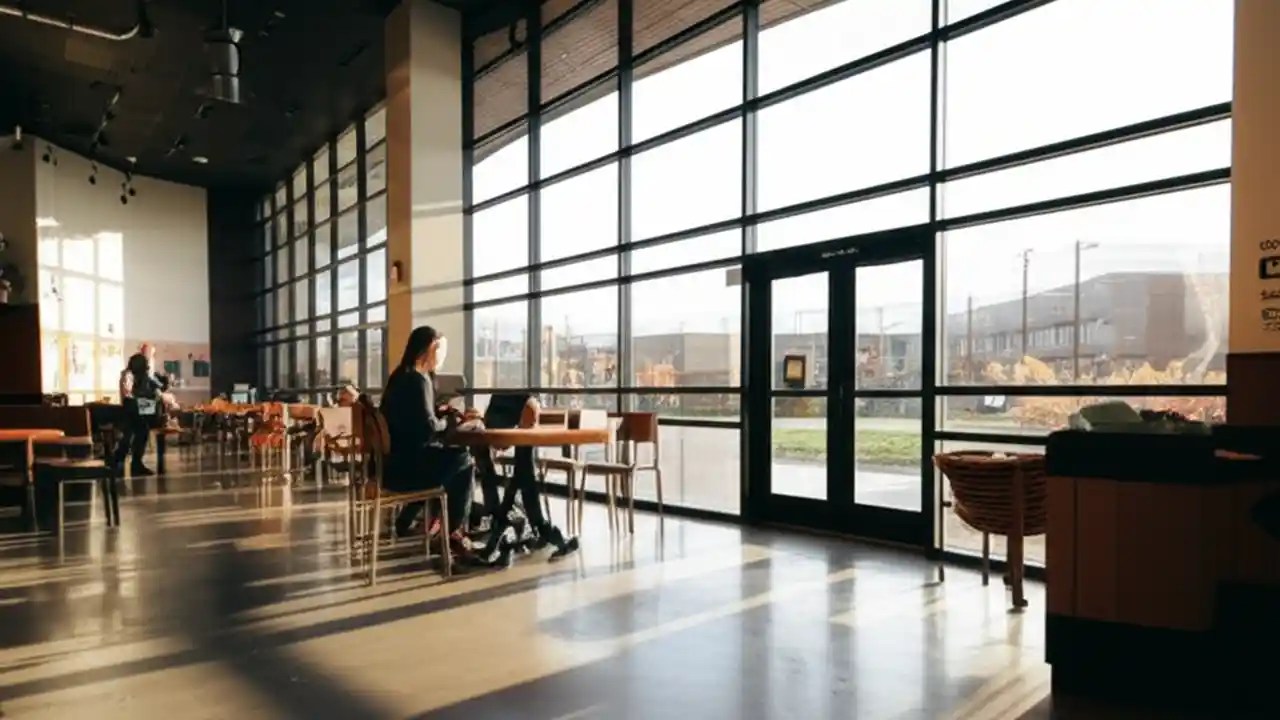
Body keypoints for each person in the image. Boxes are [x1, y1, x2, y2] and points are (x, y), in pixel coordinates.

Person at [379, 326, 476, 554]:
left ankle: (407, 522)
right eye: (438, 350)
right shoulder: (417, 380)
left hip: (391, 467)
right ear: (429, 348)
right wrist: (450, 422)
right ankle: (452, 533)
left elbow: (416, 420)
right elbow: (428, 429)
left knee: (442, 460)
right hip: (407, 471)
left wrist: (438, 414)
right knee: (464, 460)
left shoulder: (400, 375)